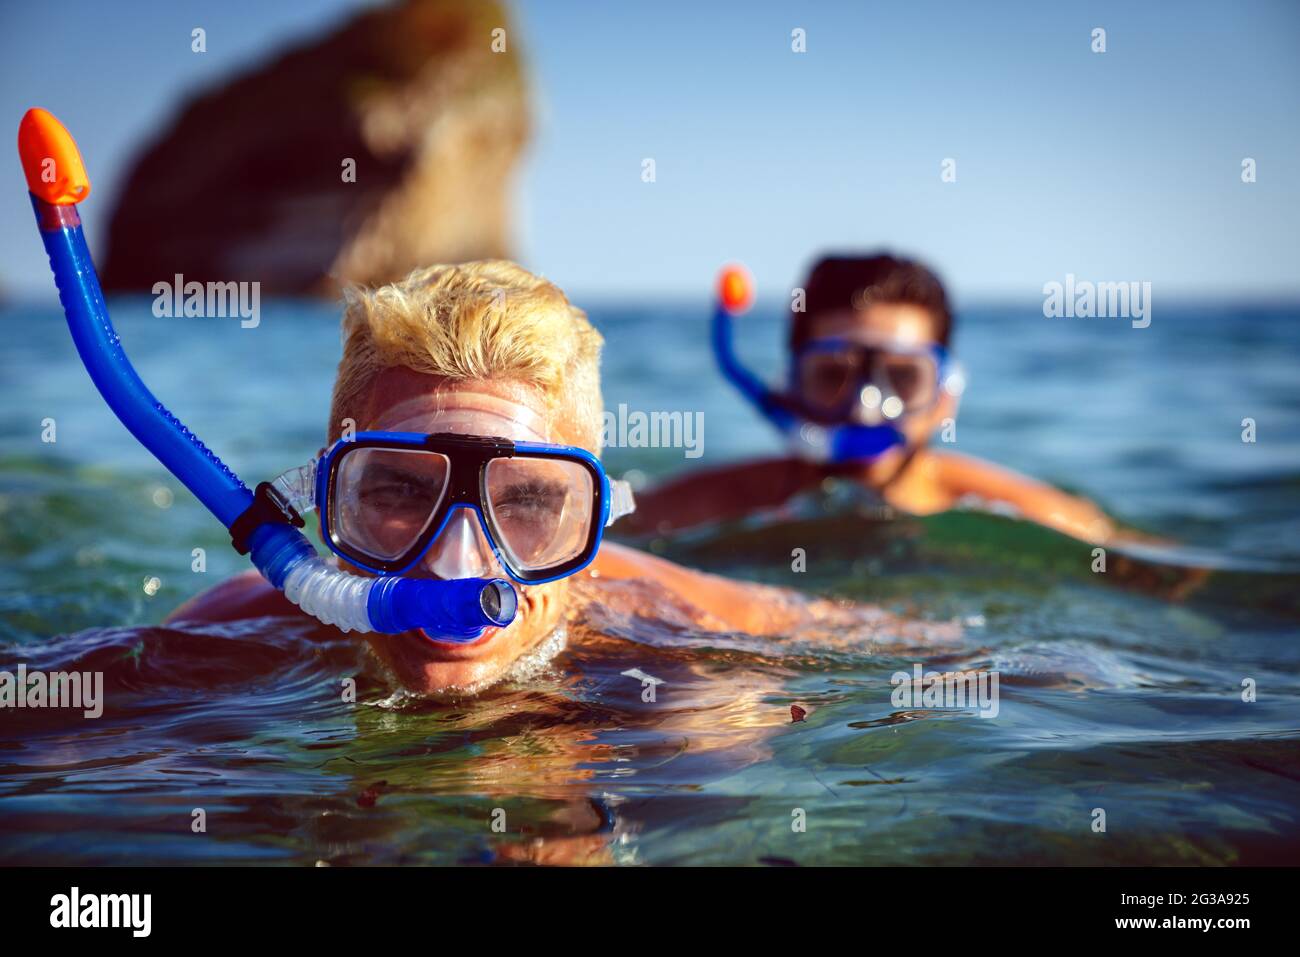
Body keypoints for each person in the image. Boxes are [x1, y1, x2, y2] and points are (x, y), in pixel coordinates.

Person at [168, 261, 944, 694]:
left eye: (529, 501)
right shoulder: (237, 630)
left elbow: (942, 656)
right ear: (324, 499)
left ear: (595, 518)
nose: (458, 562)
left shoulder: (678, 642)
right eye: (400, 490)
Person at [625, 253, 1117, 544]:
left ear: (946, 397)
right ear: (788, 390)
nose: (865, 405)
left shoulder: (1042, 518)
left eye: (903, 377)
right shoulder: (699, 508)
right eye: (833, 375)